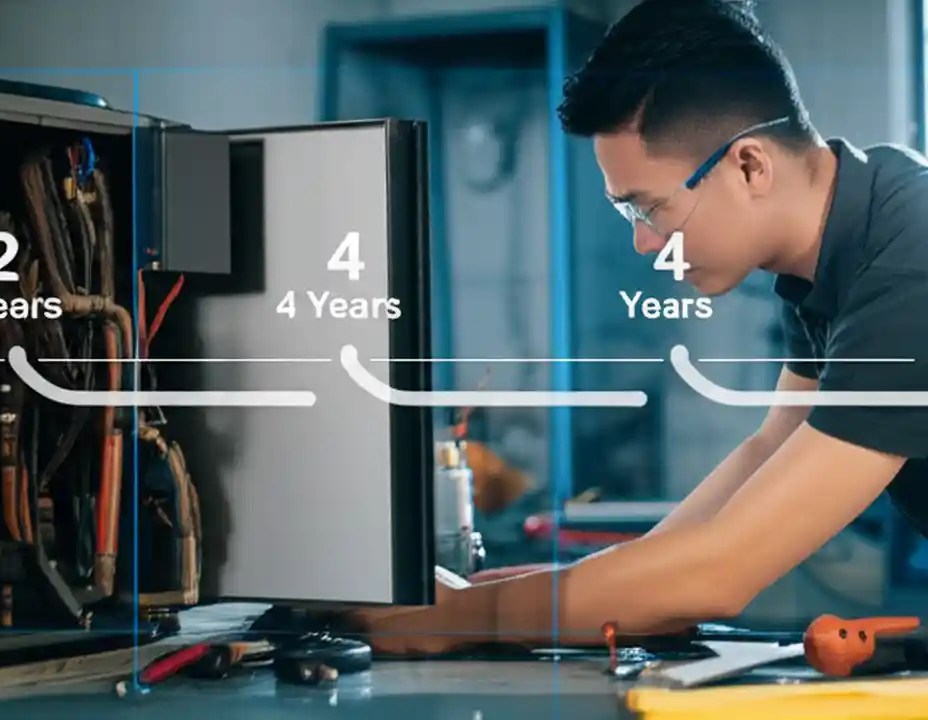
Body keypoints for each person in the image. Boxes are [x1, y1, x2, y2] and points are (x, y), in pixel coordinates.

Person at [349, 0, 928, 655]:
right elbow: (771, 450)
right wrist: (603, 587)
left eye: (650, 207)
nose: (646, 243)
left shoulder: (910, 264)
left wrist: (465, 618)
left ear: (749, 166)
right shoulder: (843, 240)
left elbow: (719, 572)